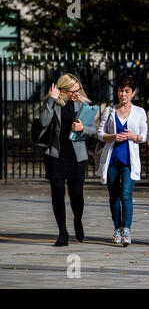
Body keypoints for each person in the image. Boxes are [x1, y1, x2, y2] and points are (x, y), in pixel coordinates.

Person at [39, 73, 96, 246]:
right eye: (72, 91)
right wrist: (50, 100)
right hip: (56, 155)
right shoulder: (53, 103)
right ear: (62, 90)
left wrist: (82, 128)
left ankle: (77, 219)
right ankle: (62, 232)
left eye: (78, 90)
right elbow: (43, 122)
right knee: (57, 192)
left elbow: (94, 131)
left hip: (77, 157)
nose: (76, 94)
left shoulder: (84, 105)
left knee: (76, 193)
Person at [97, 77, 149, 246]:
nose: (123, 94)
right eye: (121, 90)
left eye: (127, 91)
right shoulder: (110, 111)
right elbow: (100, 133)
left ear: (133, 93)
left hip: (129, 160)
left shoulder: (140, 112)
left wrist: (133, 136)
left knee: (126, 194)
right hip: (112, 158)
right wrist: (113, 137)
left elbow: (144, 136)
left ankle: (126, 228)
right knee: (114, 195)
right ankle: (117, 227)